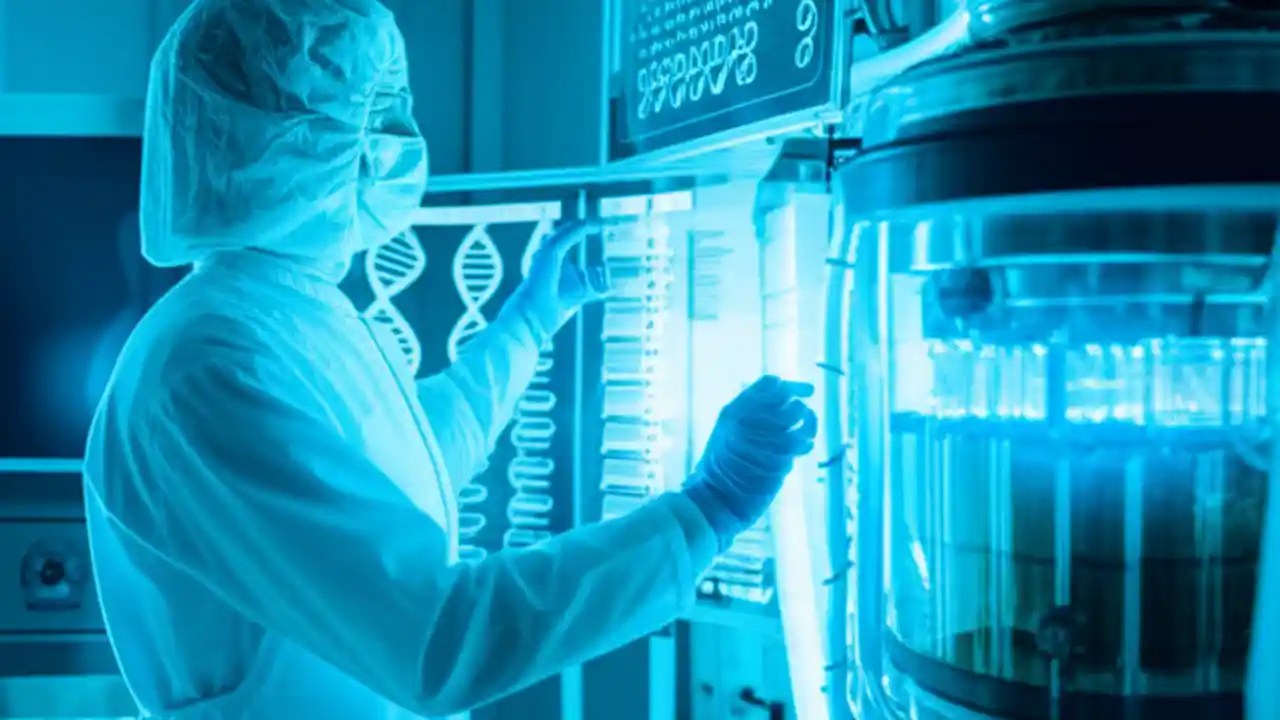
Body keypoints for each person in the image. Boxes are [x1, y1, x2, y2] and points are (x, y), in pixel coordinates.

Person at [81, 2, 819, 719]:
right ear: (280, 143)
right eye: (374, 114)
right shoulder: (207, 370)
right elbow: (440, 641)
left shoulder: (280, 311)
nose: (402, 141)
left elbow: (405, 461)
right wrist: (704, 513)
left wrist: (526, 327)